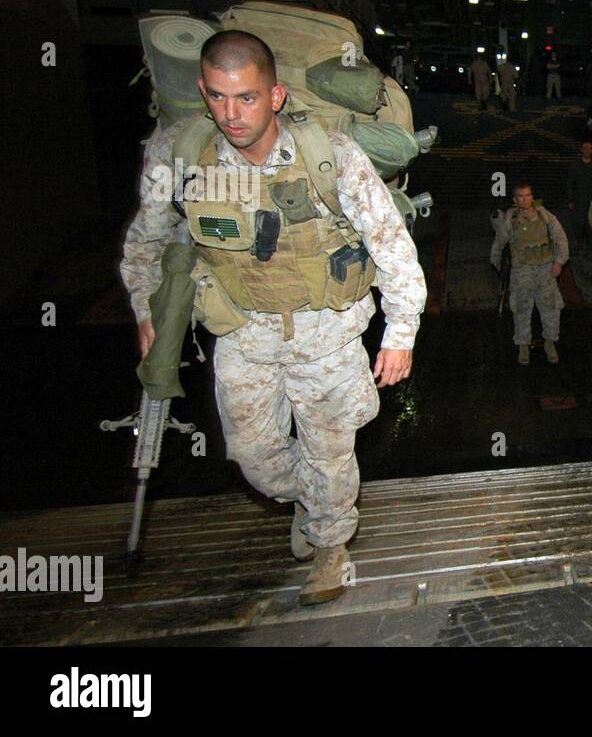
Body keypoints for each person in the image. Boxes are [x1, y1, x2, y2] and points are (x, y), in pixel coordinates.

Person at [119, 31, 427, 605]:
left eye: (247, 98)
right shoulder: (180, 154)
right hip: (243, 332)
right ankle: (309, 501)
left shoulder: (330, 154)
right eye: (216, 97)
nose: (231, 114)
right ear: (202, 92)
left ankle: (331, 545)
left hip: (327, 334)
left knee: (330, 450)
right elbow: (147, 242)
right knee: (254, 459)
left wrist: (399, 332)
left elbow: (392, 245)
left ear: (277, 95)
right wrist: (145, 307)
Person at [490, 183, 570, 365]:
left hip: (545, 269)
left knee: (550, 308)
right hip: (521, 270)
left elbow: (560, 239)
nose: (524, 199)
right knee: (521, 309)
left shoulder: (545, 215)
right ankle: (523, 344)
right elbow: (500, 241)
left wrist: (559, 262)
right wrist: (496, 261)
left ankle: (550, 342)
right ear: (514, 200)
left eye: (527, 195)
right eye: (520, 196)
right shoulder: (510, 219)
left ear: (532, 196)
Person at [565, 141, 592, 254]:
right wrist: (570, 200)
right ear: (581, 150)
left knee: (591, 223)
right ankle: (578, 243)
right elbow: (570, 183)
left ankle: (590, 247)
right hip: (578, 200)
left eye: (589, 148)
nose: (587, 150)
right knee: (578, 222)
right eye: (585, 148)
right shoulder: (575, 165)